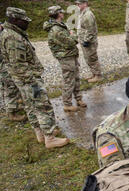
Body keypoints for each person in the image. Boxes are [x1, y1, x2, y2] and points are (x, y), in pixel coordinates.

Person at [0, 7, 70, 148]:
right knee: (43, 106)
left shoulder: (10, 33)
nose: (27, 23)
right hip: (28, 80)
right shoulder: (13, 37)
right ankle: (50, 138)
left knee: (30, 106)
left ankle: (40, 134)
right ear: (15, 20)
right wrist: (33, 82)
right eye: (23, 21)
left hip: (22, 80)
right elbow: (18, 65)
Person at [44, 5, 86, 112]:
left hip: (71, 55)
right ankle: (67, 104)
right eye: (61, 12)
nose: (63, 14)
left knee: (76, 78)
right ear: (58, 14)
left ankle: (78, 99)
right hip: (66, 57)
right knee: (69, 81)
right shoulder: (56, 29)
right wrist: (73, 35)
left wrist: (71, 34)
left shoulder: (60, 25)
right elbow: (70, 42)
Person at [0, 20, 26, 120]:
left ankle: (13, 108)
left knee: (8, 87)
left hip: (5, 65)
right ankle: (12, 114)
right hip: (4, 66)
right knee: (10, 88)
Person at [76, 0, 102, 82]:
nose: (77, 5)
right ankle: (94, 74)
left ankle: (98, 76)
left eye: (79, 4)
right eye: (77, 4)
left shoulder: (88, 14)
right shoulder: (82, 13)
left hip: (89, 41)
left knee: (92, 58)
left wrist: (86, 40)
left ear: (85, 4)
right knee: (88, 58)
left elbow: (91, 30)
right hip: (84, 40)